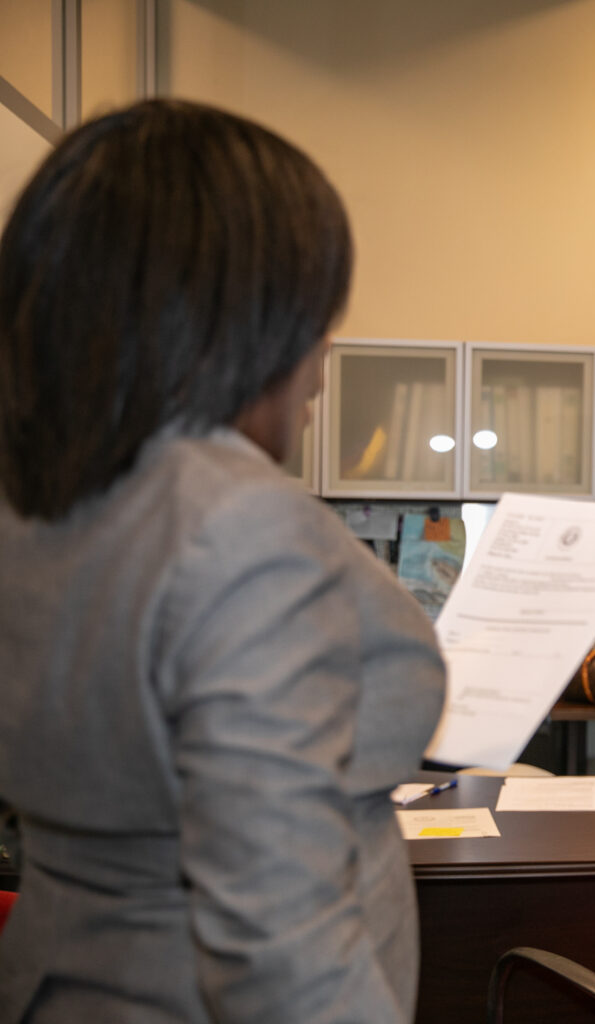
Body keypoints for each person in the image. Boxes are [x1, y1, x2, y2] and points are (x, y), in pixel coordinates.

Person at [0, 100, 447, 1022]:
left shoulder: (37, 496)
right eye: (318, 312)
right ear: (246, 318)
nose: (323, 361)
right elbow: (281, 953)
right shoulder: (238, 525)